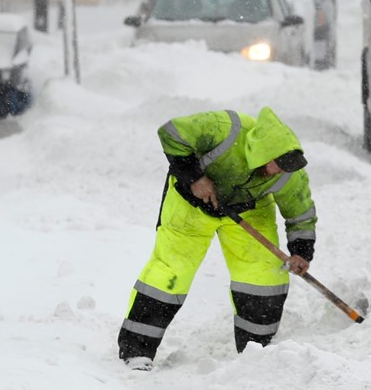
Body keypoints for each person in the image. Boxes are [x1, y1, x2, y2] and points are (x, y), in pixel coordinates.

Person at [117, 106, 318, 369]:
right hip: (191, 201)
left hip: (248, 208)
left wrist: (302, 250)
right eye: (277, 166)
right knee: (170, 272)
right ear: (262, 153)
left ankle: (258, 352)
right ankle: (137, 351)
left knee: (264, 275)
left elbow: (300, 211)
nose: (280, 171)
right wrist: (195, 177)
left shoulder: (289, 171)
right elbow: (171, 132)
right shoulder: (226, 129)